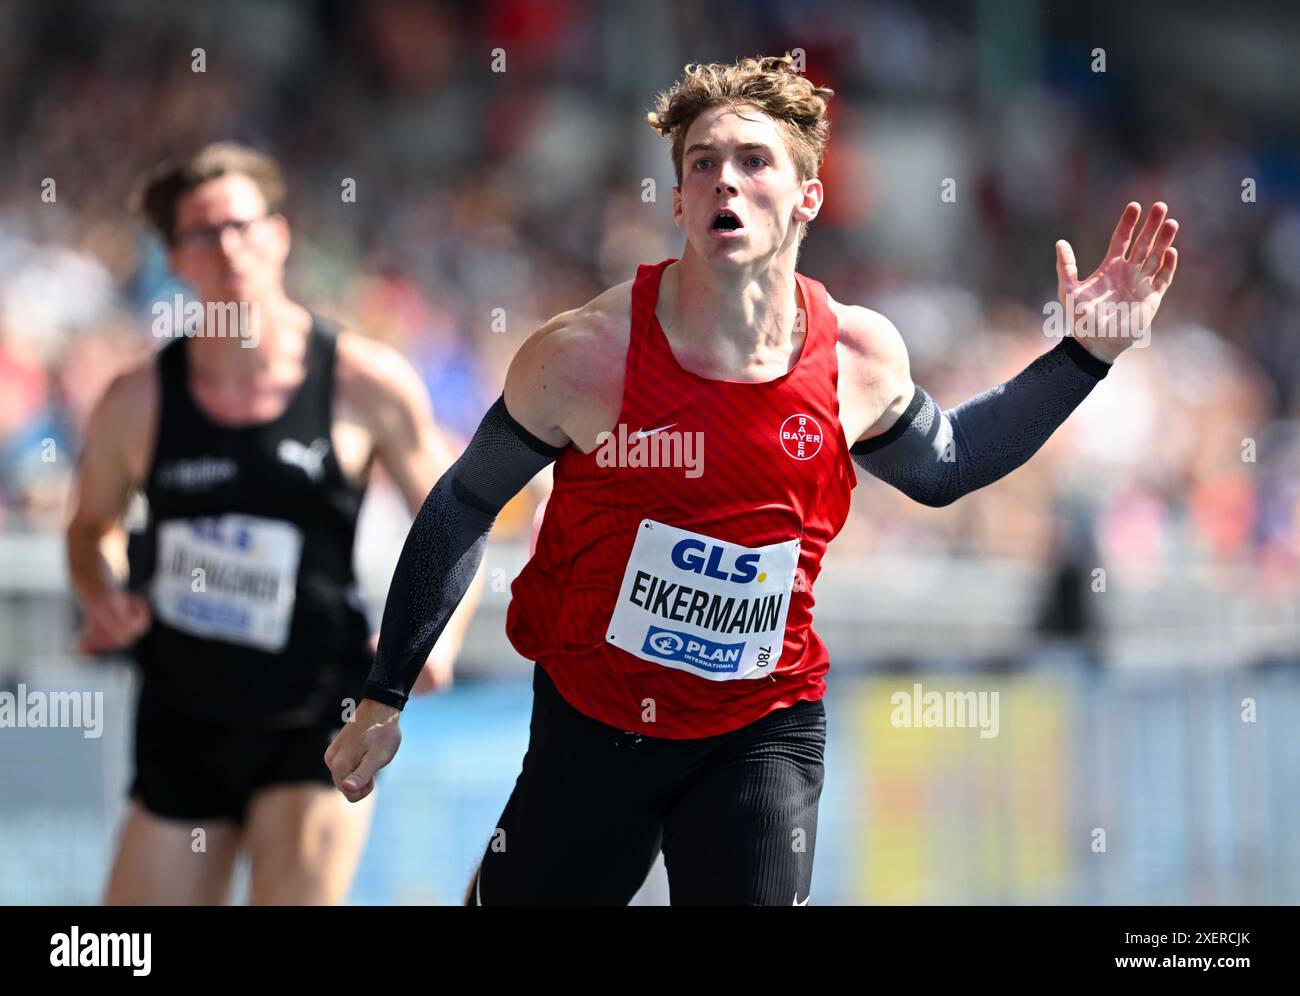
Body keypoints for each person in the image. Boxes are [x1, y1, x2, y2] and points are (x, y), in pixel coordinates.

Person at [326, 54, 1179, 905]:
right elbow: (465, 502)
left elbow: (945, 464)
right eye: (703, 163)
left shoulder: (857, 356)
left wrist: (1085, 356)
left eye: (753, 161)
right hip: (595, 725)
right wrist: (383, 694)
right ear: (679, 201)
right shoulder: (584, 357)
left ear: (808, 195)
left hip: (759, 732)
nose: (724, 182)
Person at [66, 141, 479, 905]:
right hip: (182, 716)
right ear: (174, 258)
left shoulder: (364, 382)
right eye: (202, 233)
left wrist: (435, 642)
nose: (228, 247)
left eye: (243, 225)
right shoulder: (137, 400)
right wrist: (102, 588)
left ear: (280, 234)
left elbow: (457, 517)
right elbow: (88, 527)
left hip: (316, 717)